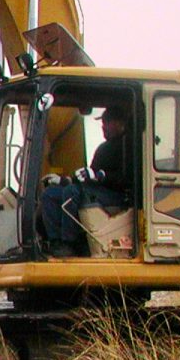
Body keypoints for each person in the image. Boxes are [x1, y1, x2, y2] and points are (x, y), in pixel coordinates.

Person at [40, 106, 131, 257]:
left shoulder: (131, 146)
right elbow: (89, 176)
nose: (103, 126)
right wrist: (65, 180)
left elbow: (128, 177)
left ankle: (70, 243)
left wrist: (101, 175)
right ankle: (55, 241)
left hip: (119, 195)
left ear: (120, 123)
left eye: (107, 122)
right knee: (50, 194)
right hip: (96, 191)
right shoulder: (103, 149)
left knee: (71, 193)